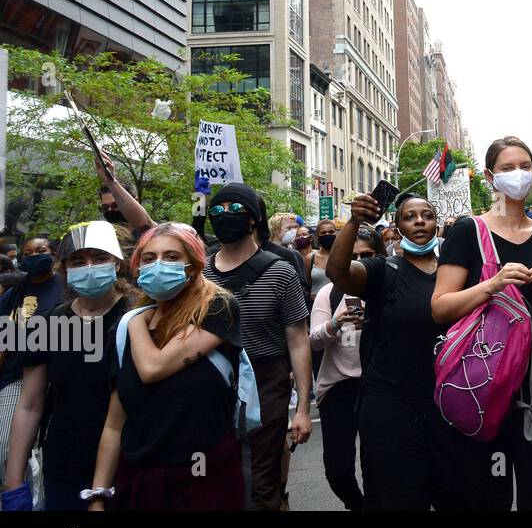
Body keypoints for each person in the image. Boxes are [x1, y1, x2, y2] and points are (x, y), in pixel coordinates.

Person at [433, 136, 532, 510]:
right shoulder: (467, 232)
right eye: (508, 168)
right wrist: (491, 285)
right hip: (482, 388)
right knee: (486, 500)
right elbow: (441, 307)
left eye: (525, 166)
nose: (518, 175)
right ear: (490, 177)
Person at [87, 222, 244, 510]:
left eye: (172, 257)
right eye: (149, 258)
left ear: (193, 265)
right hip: (139, 480)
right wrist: (98, 494)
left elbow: (152, 369)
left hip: (202, 477)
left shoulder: (218, 307)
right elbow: (114, 422)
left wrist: (135, 321)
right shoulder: (125, 329)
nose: (159, 265)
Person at [327, 191, 450, 510]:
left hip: (445, 408)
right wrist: (354, 222)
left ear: (436, 224)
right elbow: (338, 273)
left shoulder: (454, 274)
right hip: (390, 409)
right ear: (396, 227)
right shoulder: (384, 271)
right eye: (410, 216)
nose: (420, 221)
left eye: (427, 215)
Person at [2, 223, 136, 511]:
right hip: (64, 464)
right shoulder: (48, 324)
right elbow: (29, 404)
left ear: (117, 262)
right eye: (78, 260)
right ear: (64, 268)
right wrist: (13, 483)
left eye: (100, 258)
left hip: (130, 464)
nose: (90, 267)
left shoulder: (137, 317)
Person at [201, 183, 312, 510]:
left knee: (262, 479)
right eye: (217, 211)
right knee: (215, 476)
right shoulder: (201, 273)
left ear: (254, 219)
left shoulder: (281, 273)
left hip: (267, 383)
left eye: (234, 210)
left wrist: (303, 409)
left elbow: (298, 341)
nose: (225, 217)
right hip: (212, 385)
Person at [309, 225, 375, 511]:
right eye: (353, 255)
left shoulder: (388, 287)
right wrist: (336, 324)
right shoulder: (329, 293)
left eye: (369, 254)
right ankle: (357, 505)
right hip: (338, 388)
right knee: (337, 469)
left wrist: (372, 322)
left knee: (381, 465)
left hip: (379, 388)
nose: (360, 261)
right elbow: (313, 342)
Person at [0, 236, 65, 476]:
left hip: (58, 378)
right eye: (27, 253)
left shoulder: (66, 286)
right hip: (18, 377)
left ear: (53, 253)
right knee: (6, 451)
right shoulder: (15, 293)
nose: (34, 256)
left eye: (41, 250)